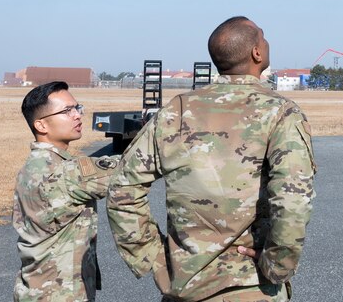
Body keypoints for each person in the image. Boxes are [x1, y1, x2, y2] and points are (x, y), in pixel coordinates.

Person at [107, 17, 316, 301]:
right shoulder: (280, 113)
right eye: (263, 38)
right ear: (257, 53)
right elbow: (292, 200)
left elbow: (122, 188)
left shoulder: (176, 111)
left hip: (185, 287)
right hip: (250, 287)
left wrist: (154, 258)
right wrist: (276, 267)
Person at [13, 81, 120, 302]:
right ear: (41, 126)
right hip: (57, 294)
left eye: (77, 108)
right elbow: (131, 169)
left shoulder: (40, 164)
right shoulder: (58, 171)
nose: (77, 115)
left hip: (44, 289)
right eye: (67, 111)